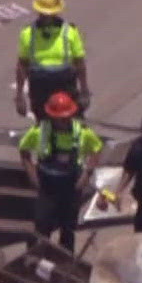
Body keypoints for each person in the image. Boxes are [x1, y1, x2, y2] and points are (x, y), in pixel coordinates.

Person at [18, 90, 104, 252]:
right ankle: (37, 259)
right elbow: (24, 151)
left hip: (71, 187)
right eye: (60, 118)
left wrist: (87, 174)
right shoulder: (40, 132)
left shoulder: (81, 132)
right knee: (42, 225)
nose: (64, 121)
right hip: (47, 186)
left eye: (67, 117)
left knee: (68, 228)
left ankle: (64, 262)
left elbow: (96, 148)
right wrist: (32, 175)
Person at [14, 0, 91, 120]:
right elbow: (22, 66)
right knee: (43, 125)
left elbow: (80, 63)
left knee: (73, 121)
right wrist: (19, 96)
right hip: (40, 86)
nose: (47, 17)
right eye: (44, 14)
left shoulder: (70, 32)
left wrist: (84, 91)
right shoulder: (27, 34)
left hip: (65, 84)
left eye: (50, 14)